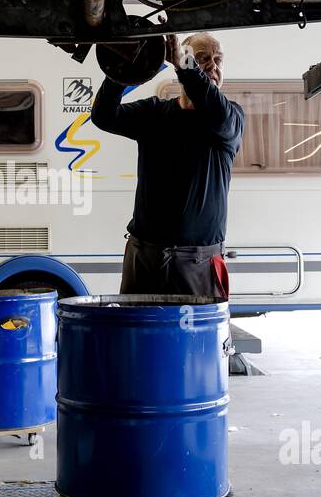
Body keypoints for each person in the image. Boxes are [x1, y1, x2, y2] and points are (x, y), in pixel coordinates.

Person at [90, 32, 244, 298]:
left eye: (219, 60)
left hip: (198, 263)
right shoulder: (154, 113)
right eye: (203, 58)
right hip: (144, 258)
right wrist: (124, 67)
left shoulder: (229, 118)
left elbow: (214, 108)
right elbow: (104, 116)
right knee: (136, 337)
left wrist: (186, 65)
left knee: (194, 341)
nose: (213, 66)